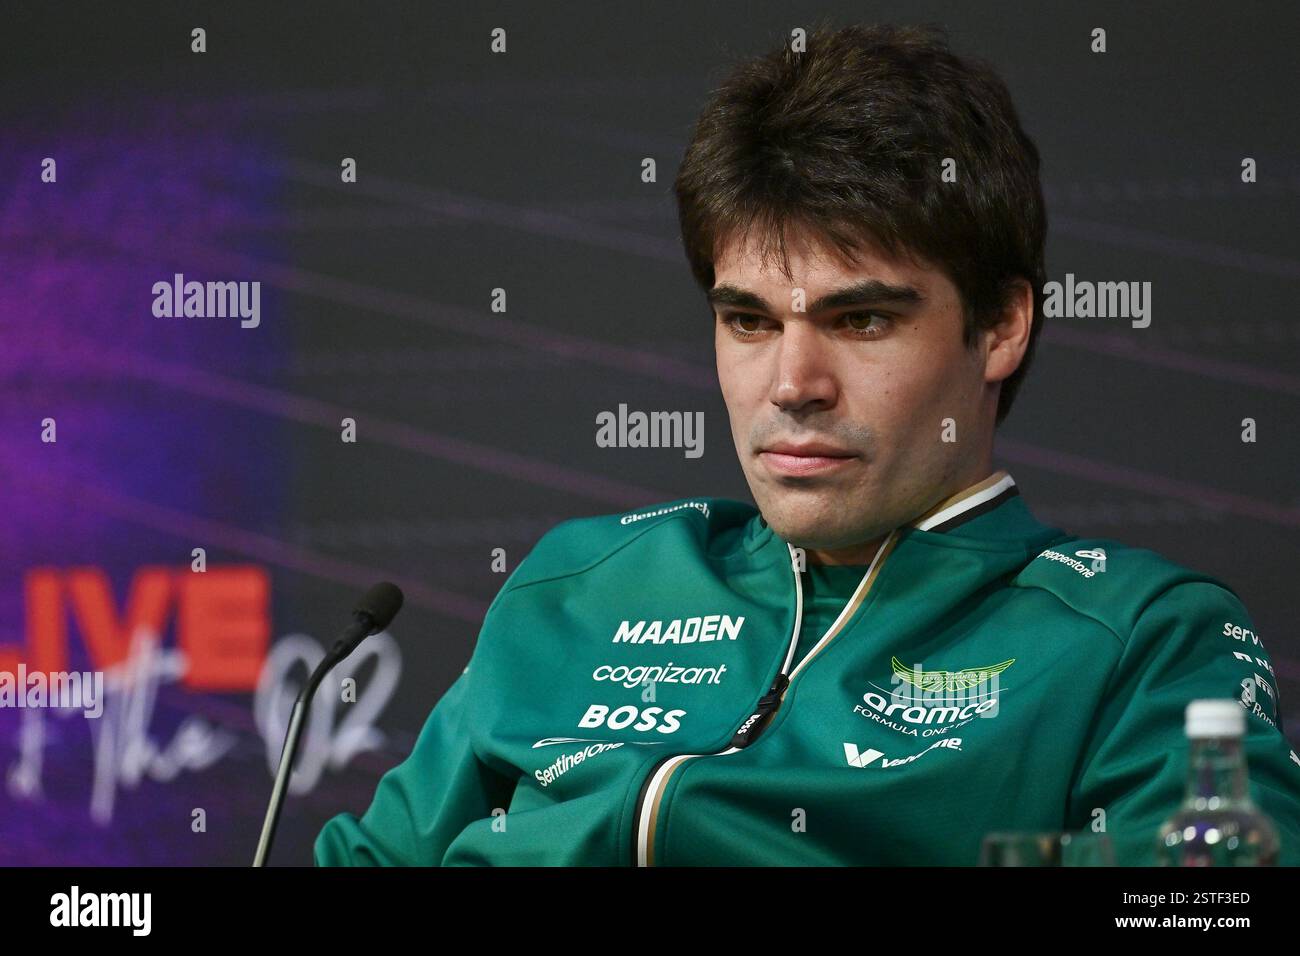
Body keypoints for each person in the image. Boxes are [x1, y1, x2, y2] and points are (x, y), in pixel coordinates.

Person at [314, 22, 1300, 866]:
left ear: (1000, 324)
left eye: (861, 319)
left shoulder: (1142, 642)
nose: (791, 384)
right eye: (748, 320)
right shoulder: (579, 582)